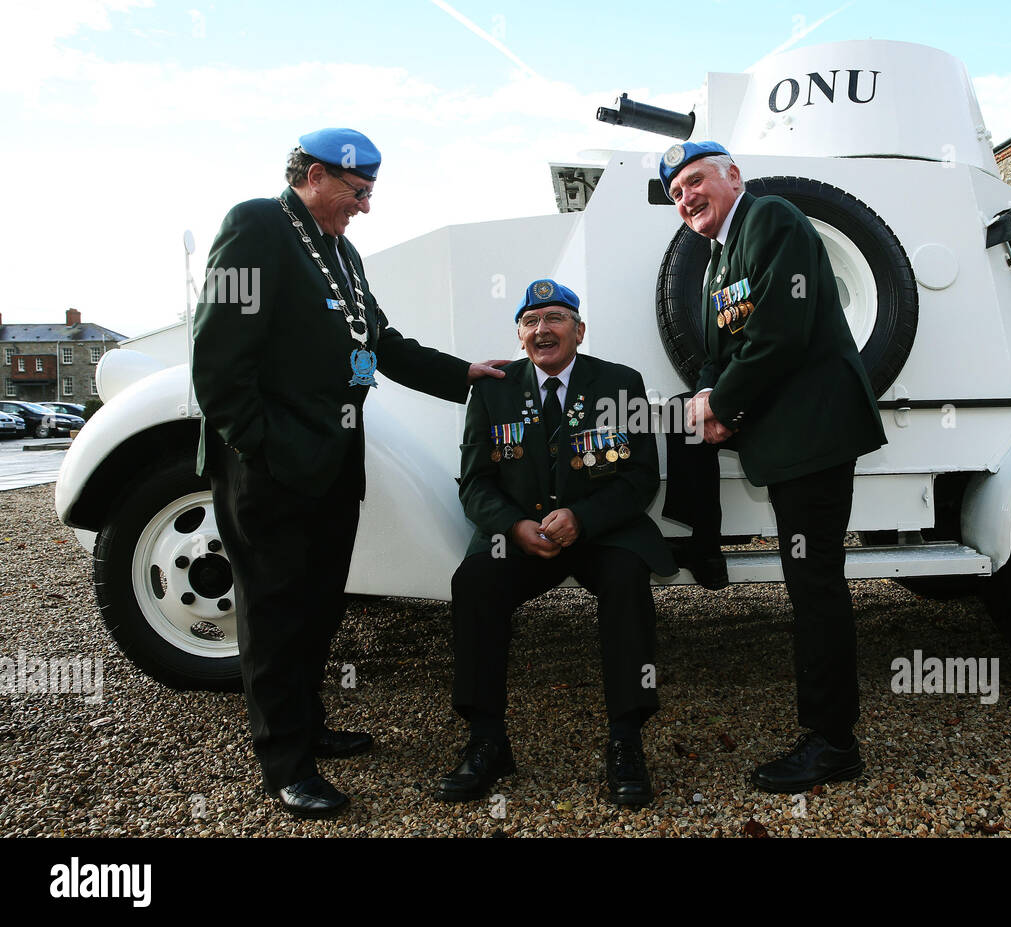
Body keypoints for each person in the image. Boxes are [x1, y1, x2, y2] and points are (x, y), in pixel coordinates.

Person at [192, 127, 505, 818]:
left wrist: (467, 376)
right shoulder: (254, 228)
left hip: (332, 465)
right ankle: (285, 763)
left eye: (369, 193)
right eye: (356, 191)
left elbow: (383, 345)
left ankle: (307, 723)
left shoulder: (341, 252)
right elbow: (217, 360)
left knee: (319, 606)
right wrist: (263, 450)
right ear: (312, 176)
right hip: (272, 470)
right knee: (275, 614)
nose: (363, 205)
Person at [659, 141, 888, 793]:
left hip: (813, 427)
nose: (687, 197)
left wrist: (727, 405)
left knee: (815, 585)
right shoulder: (714, 261)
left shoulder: (771, 218)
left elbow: (782, 329)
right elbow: (715, 349)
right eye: (677, 193)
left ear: (733, 176)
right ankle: (701, 550)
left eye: (695, 181)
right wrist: (707, 396)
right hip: (779, 426)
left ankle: (834, 742)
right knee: (677, 414)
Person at [438, 278, 675, 807]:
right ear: (520, 335)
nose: (542, 330)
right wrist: (513, 527)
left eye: (555, 318)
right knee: (475, 581)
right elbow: (475, 482)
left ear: (579, 330)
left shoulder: (619, 383)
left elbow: (640, 477)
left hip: (599, 531)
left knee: (626, 578)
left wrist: (583, 518)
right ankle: (486, 739)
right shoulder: (493, 387)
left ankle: (626, 738)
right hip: (524, 533)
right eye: (531, 321)